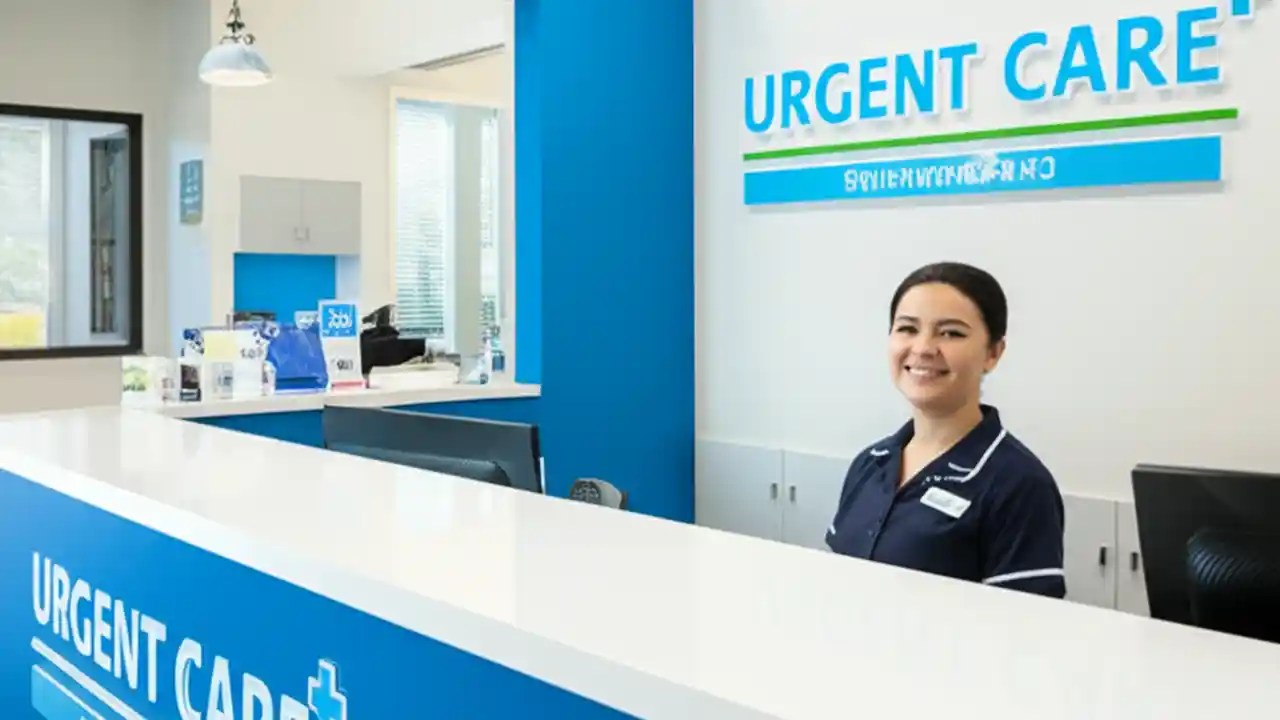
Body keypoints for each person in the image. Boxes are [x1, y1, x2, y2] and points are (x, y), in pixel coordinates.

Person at [825, 261, 1066, 598]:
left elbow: (1026, 631)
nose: (923, 348)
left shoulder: (1018, 484)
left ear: (993, 353)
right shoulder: (869, 463)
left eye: (951, 332)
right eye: (907, 328)